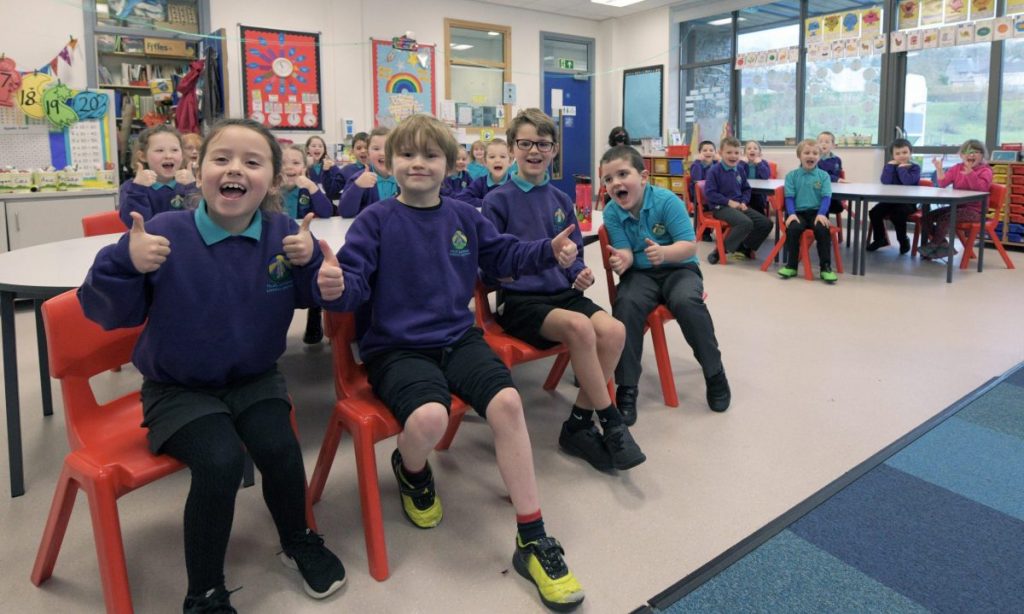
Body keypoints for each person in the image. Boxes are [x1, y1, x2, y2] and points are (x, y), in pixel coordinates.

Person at [315, 113, 586, 612]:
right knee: (430, 417)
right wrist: (334, 288)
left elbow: (503, 256)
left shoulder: (465, 214)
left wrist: (549, 250)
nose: (419, 163)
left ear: (451, 163)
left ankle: (533, 538)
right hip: (395, 347)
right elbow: (353, 285)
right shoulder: (376, 220)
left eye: (431, 155)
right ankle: (412, 469)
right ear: (390, 162)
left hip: (458, 337)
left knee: (507, 403)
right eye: (408, 154)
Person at [79, 118, 346, 613]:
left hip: (254, 377)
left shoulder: (285, 233)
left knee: (281, 448)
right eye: (221, 159)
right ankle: (203, 590)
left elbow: (315, 294)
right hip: (176, 387)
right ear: (196, 169)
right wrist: (124, 262)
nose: (235, 170)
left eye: (252, 161)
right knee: (220, 462)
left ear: (275, 179)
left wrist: (317, 270)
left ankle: (298, 539)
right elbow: (108, 313)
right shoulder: (162, 233)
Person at [482, 108, 644, 471]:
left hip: (563, 295)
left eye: (543, 143)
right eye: (525, 143)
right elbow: (490, 265)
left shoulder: (560, 200)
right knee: (580, 327)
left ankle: (578, 425)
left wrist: (580, 270)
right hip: (522, 303)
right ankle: (611, 420)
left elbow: (572, 254)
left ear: (554, 150)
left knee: (615, 330)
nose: (535, 151)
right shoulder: (497, 200)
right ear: (511, 149)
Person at [599, 145, 731, 424]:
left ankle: (714, 372)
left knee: (686, 302)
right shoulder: (612, 211)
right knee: (626, 304)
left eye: (623, 174)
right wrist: (621, 260)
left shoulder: (666, 201)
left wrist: (664, 253)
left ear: (644, 177)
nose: (615, 183)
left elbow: (688, 246)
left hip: (679, 268)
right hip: (641, 276)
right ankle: (627, 387)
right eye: (608, 179)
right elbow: (623, 250)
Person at [282, 144, 335, 344]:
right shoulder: (270, 189)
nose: (289, 167)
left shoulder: (307, 188)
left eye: (295, 163)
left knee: (315, 269)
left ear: (304, 167)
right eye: (284, 163)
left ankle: (315, 315)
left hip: (306, 240)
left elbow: (327, 212)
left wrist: (312, 188)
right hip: (279, 240)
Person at [702, 137, 772, 264]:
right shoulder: (714, 171)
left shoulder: (739, 169)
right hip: (721, 207)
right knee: (745, 223)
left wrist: (744, 202)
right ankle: (719, 251)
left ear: (740, 154)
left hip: (739, 205)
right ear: (720, 153)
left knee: (766, 223)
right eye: (729, 153)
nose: (733, 156)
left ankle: (744, 247)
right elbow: (710, 193)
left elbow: (746, 188)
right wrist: (728, 202)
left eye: (736, 153)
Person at [921, 138, 993, 259]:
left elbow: (981, 189)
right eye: (967, 152)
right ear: (961, 155)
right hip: (958, 207)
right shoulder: (956, 168)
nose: (971, 154)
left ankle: (933, 245)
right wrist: (939, 169)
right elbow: (943, 183)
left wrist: (970, 173)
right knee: (925, 218)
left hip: (976, 212)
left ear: (982, 155)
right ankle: (943, 244)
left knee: (945, 218)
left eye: (975, 152)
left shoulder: (986, 171)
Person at [779, 139, 838, 283]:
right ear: (799, 155)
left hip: (817, 212)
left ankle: (825, 268)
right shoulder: (792, 176)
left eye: (815, 153)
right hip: (798, 213)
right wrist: (791, 213)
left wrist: (821, 214)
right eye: (806, 153)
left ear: (819, 156)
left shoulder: (824, 176)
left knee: (822, 231)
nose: (810, 156)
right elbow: (789, 197)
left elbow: (826, 197)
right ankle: (791, 266)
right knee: (793, 230)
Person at [118, 125, 199, 227]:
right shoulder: (132, 188)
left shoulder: (191, 185)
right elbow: (134, 223)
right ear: (143, 156)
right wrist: (138, 190)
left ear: (182, 155)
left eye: (174, 150)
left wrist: (192, 188)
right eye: (159, 150)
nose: (168, 155)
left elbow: (201, 221)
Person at [867, 138, 922, 254]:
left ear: (910, 152)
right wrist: (889, 167)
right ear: (892, 155)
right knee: (874, 212)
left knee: (898, 214)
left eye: (904, 152)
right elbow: (885, 181)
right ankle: (880, 239)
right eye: (897, 153)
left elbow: (907, 181)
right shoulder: (890, 166)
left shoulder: (915, 168)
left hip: (908, 202)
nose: (901, 156)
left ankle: (903, 240)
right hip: (890, 201)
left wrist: (901, 168)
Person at [338, 126, 397, 218]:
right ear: (368, 153)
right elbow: (345, 212)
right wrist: (358, 186)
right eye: (376, 149)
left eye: (388, 148)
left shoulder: (403, 178)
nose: (382, 153)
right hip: (370, 230)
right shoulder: (359, 178)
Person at [454, 138, 511, 207]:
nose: (497, 160)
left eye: (502, 156)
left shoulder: (515, 183)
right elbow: (461, 198)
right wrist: (488, 202)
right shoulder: (480, 183)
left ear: (510, 161)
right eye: (492, 157)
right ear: (485, 162)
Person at [816, 131, 845, 216]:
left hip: (833, 192)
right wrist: (836, 179)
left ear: (833, 145)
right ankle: (823, 224)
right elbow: (821, 176)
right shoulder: (815, 159)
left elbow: (838, 175)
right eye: (820, 142)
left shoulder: (837, 160)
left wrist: (837, 179)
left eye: (827, 142)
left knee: (838, 206)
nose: (823, 144)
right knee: (823, 203)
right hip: (819, 192)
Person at [305, 135, 342, 200]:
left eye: (320, 146)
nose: (317, 148)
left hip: (326, 202)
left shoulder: (328, 165)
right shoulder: (303, 165)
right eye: (313, 146)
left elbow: (340, 178)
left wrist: (333, 166)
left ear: (324, 150)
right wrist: (304, 165)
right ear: (307, 149)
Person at [743, 140, 772, 216]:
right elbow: (736, 175)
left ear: (759, 153)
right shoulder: (741, 163)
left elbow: (766, 176)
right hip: (744, 191)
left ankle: (761, 218)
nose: (752, 150)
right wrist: (742, 163)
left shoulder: (763, 163)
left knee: (757, 200)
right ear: (744, 153)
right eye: (749, 148)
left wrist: (760, 164)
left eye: (755, 148)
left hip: (758, 193)